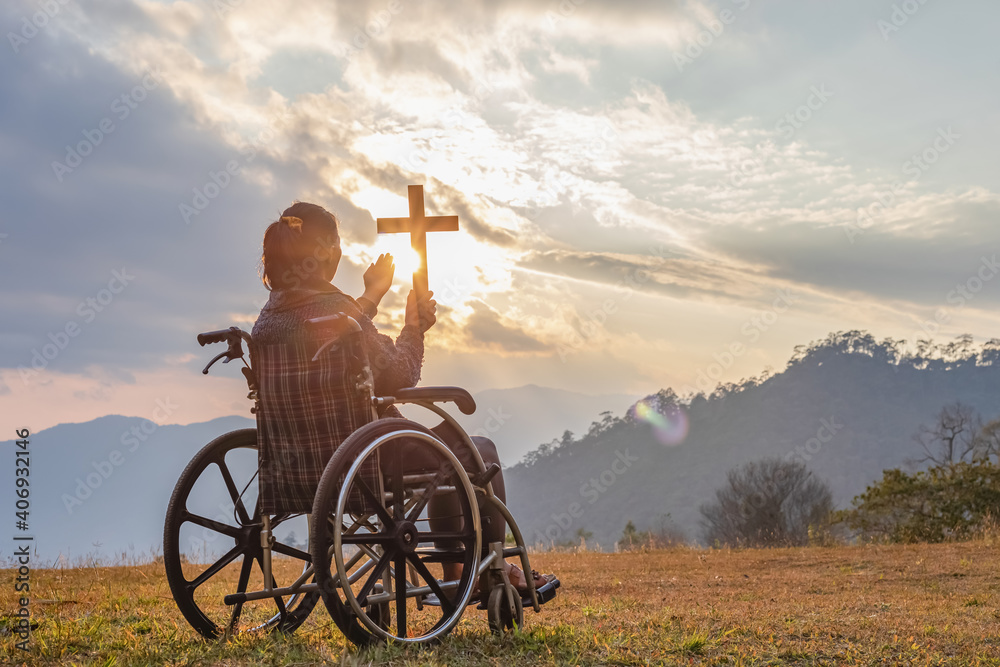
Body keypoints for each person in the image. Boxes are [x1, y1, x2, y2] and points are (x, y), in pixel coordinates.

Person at [251, 201, 551, 596]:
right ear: (325, 252)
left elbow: (334, 331)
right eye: (337, 244)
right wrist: (414, 328)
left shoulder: (266, 322)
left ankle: (465, 571)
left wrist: (371, 296)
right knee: (474, 450)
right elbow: (399, 375)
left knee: (450, 449)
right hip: (372, 458)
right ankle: (474, 570)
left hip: (302, 465)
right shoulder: (336, 309)